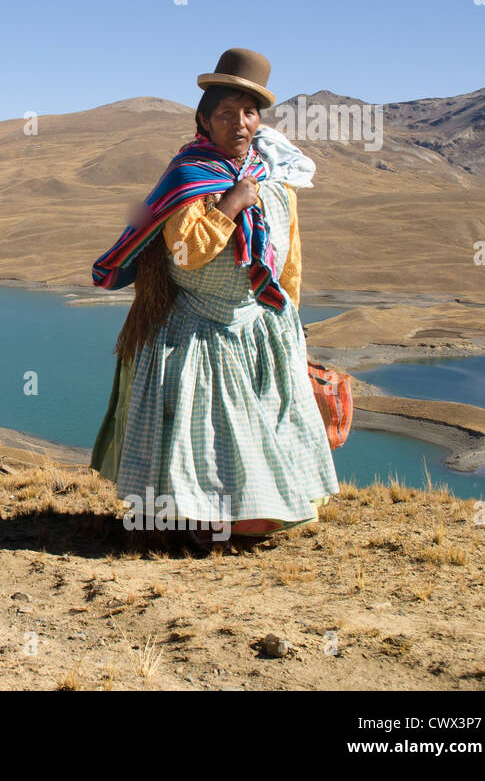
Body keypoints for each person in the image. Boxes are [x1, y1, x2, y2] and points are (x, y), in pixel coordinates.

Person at [90, 48, 338, 544]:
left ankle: (254, 517)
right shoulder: (189, 178)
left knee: (261, 430)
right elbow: (186, 252)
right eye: (226, 113)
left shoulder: (276, 183)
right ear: (204, 119)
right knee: (202, 436)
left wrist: (289, 317)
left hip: (259, 325)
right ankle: (195, 522)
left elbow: (289, 260)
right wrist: (231, 202)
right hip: (196, 329)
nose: (240, 124)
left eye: (249, 113)